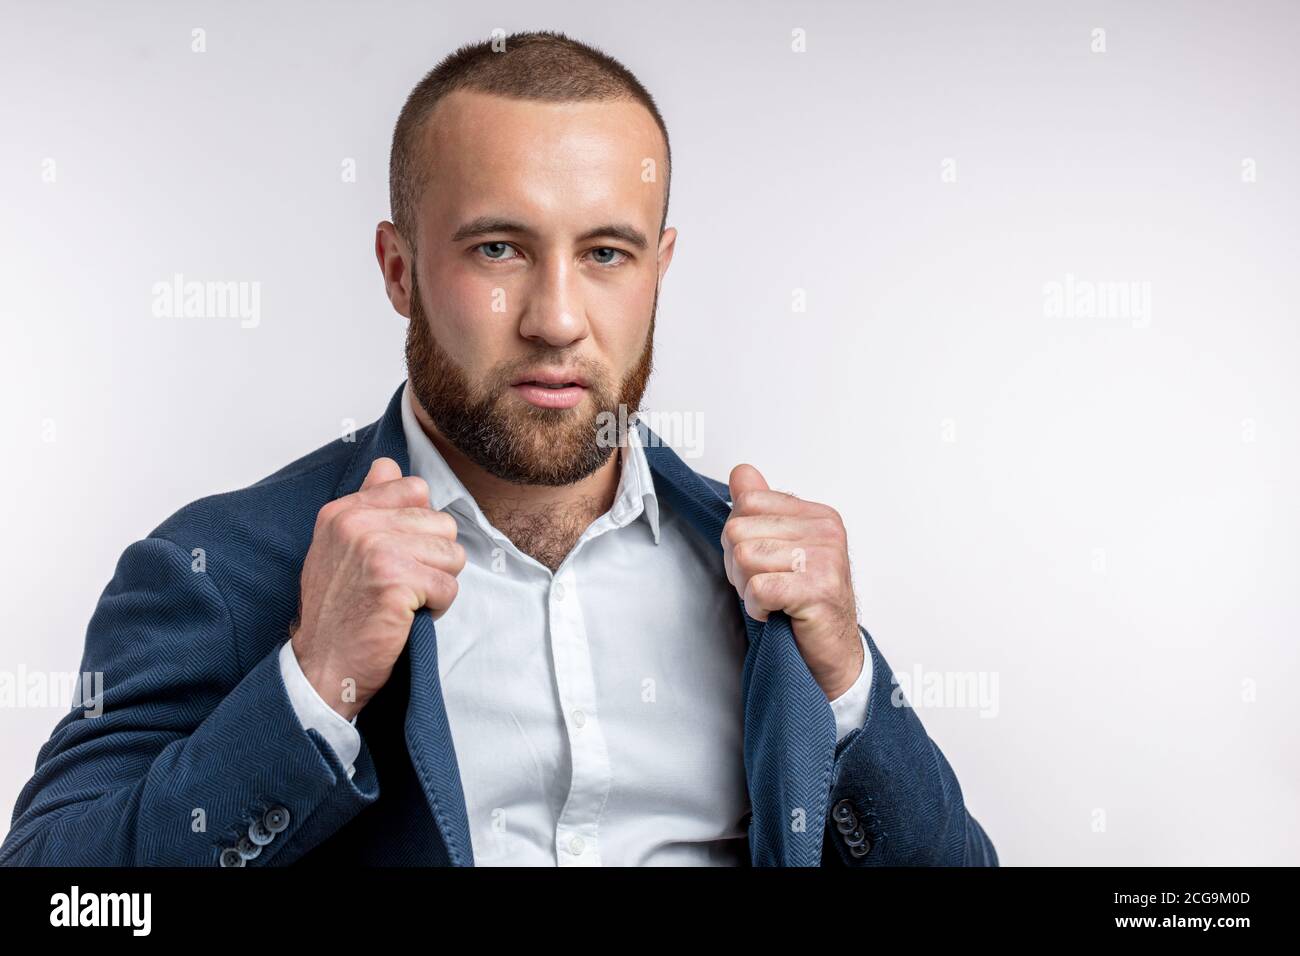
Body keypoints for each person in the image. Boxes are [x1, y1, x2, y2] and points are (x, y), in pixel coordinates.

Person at [1, 30, 996, 867]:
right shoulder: (220, 569)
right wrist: (312, 685)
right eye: (498, 249)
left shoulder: (766, 584)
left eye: (606, 252)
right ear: (398, 268)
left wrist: (849, 683)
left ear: (660, 267)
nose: (557, 319)